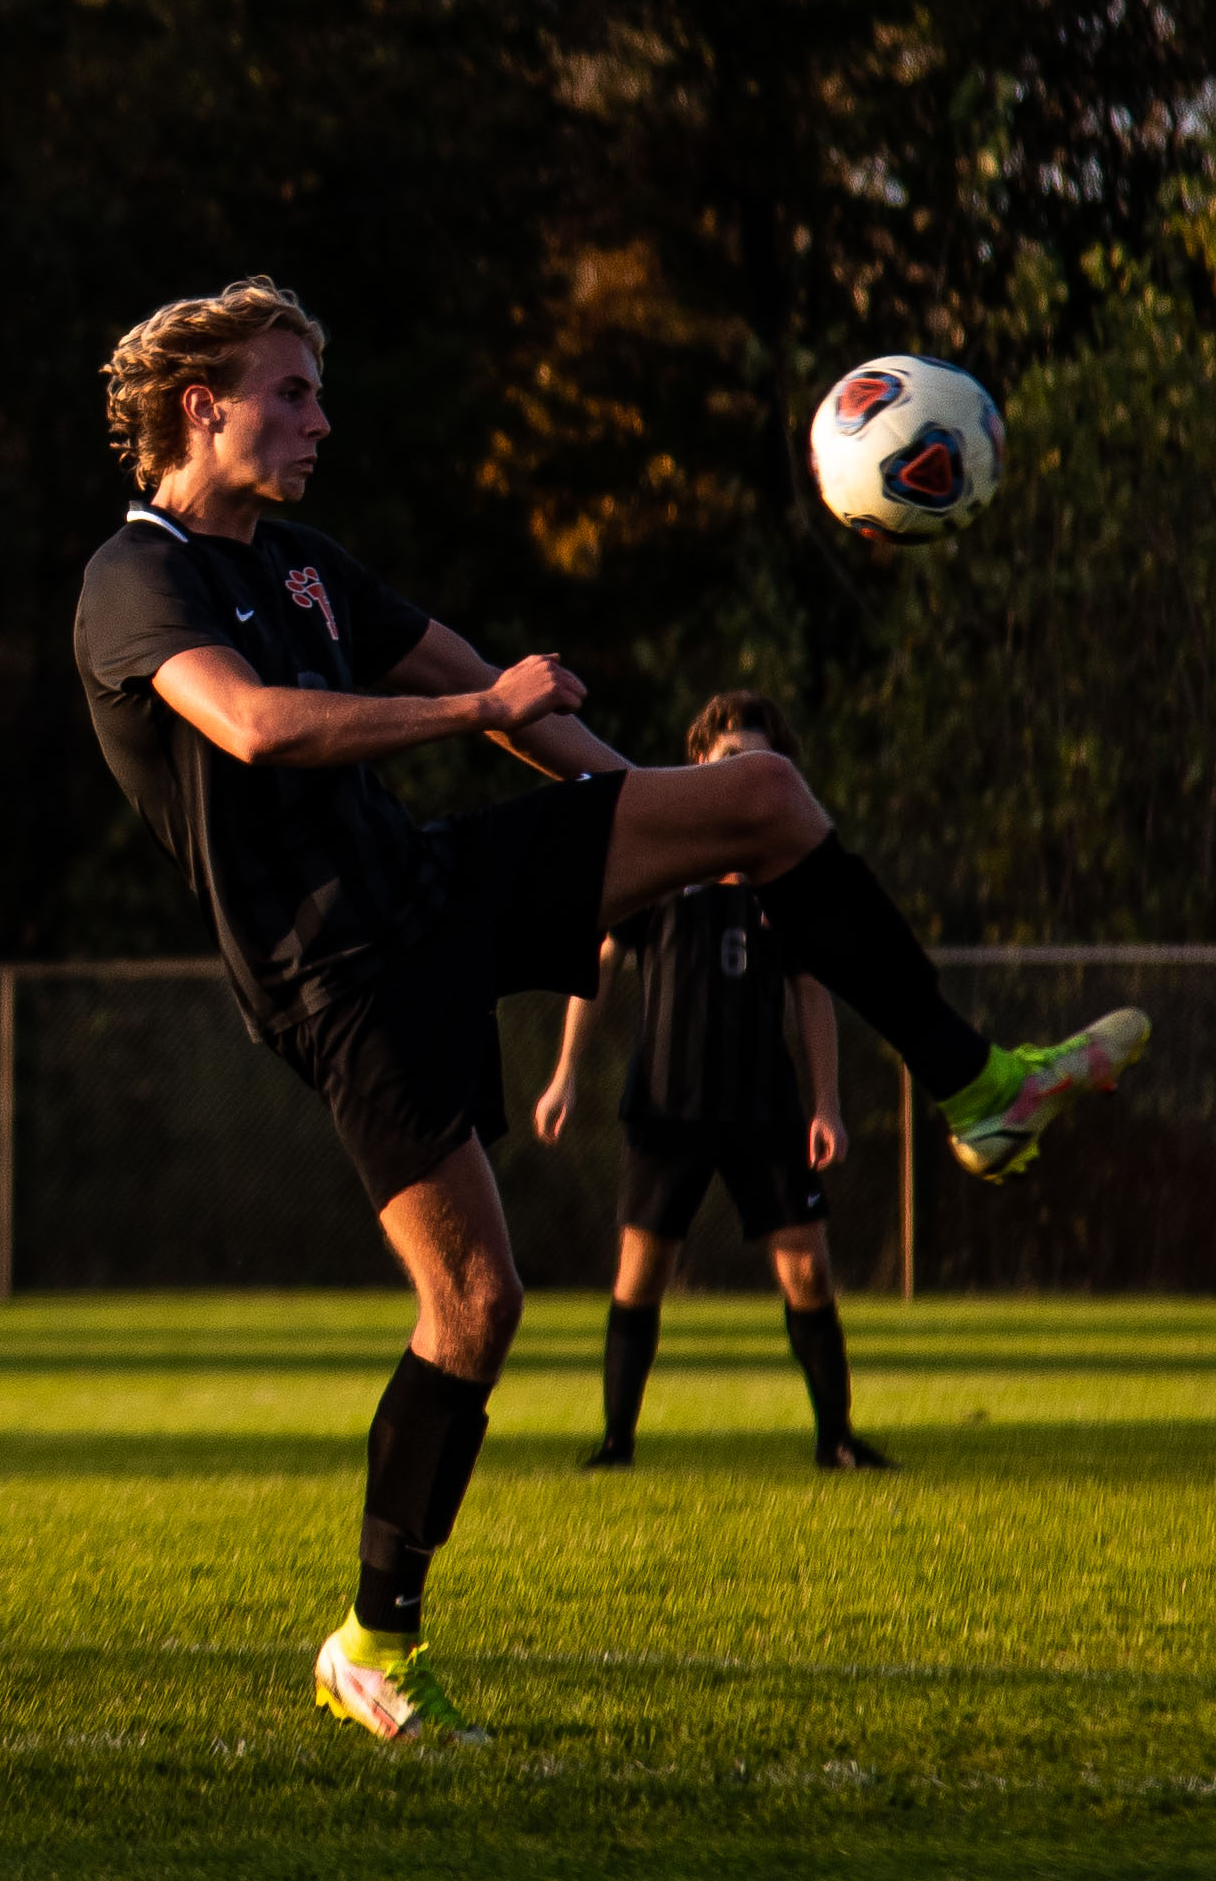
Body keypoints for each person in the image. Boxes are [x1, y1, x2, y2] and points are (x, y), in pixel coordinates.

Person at [68, 278, 1145, 1747]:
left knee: (763, 794)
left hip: (429, 882)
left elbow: (486, 685)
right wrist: (483, 715)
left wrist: (674, 811)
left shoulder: (302, 562)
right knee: (476, 1306)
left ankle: (978, 1087)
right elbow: (258, 726)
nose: (319, 419)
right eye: (291, 392)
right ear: (202, 408)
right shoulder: (134, 578)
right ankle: (372, 1641)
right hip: (337, 974)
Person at [532, 691, 888, 1473]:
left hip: (765, 1107)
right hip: (668, 1103)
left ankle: (837, 1440)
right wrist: (564, 1076)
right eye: (730, 756)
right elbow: (598, 966)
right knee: (643, 1271)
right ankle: (617, 1444)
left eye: (760, 760)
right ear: (699, 762)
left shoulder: (787, 871)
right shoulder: (663, 861)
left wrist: (826, 1103)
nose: (743, 772)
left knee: (808, 1268)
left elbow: (811, 991)